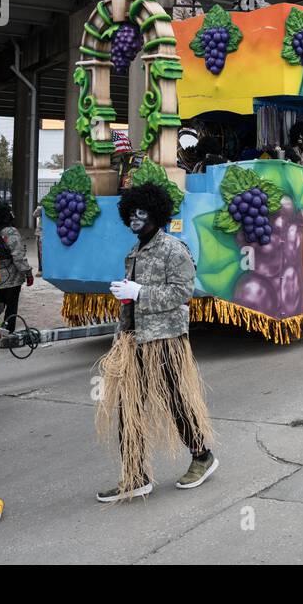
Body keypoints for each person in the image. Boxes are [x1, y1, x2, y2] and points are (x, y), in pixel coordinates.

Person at [97, 183, 215, 503]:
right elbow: (134, 301)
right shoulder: (133, 253)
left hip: (165, 341)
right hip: (135, 341)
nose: (135, 218)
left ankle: (202, 456)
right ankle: (135, 476)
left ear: (155, 214)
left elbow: (181, 294)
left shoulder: (174, 249)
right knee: (130, 407)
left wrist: (139, 294)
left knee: (176, 401)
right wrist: (125, 307)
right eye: (131, 213)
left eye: (142, 212)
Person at [0, 201, 32, 333]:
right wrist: (28, 273)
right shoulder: (10, 232)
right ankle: (8, 333)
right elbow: (18, 256)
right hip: (11, 277)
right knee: (11, 306)